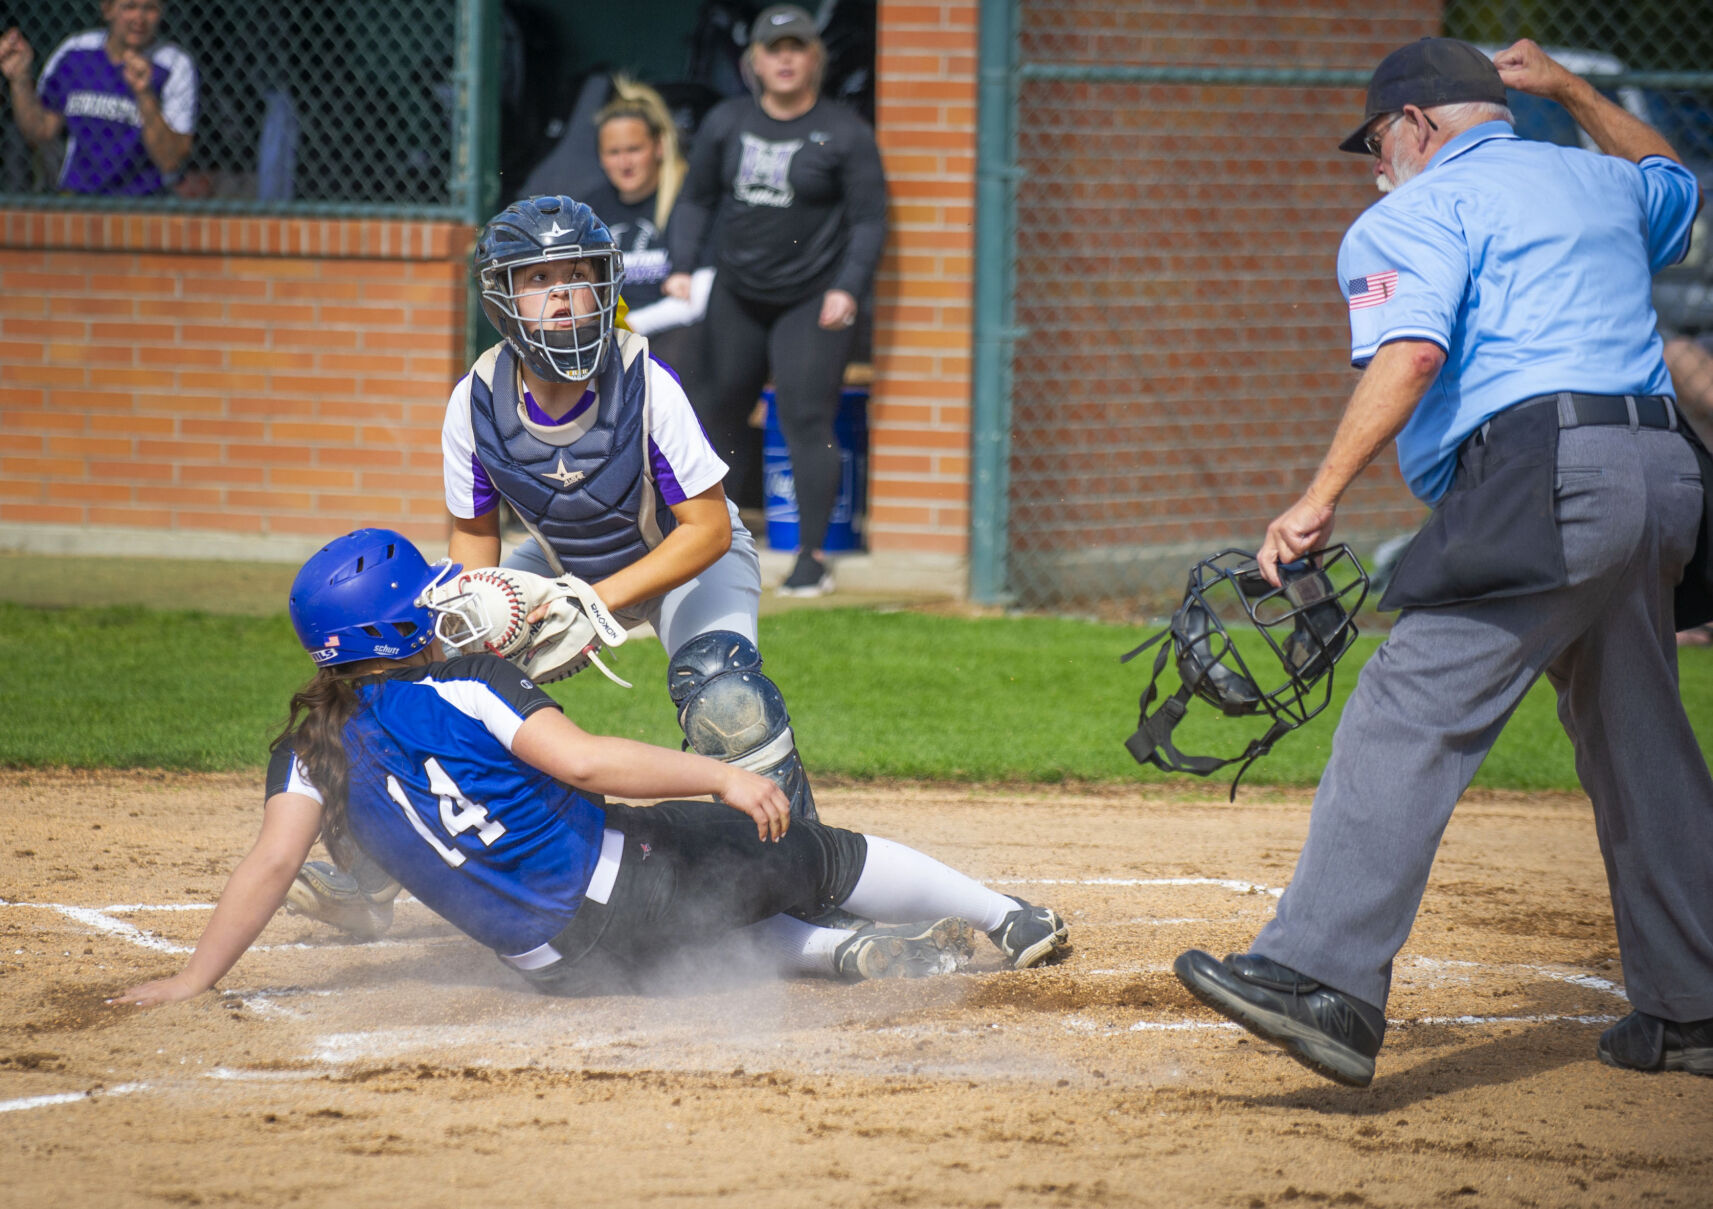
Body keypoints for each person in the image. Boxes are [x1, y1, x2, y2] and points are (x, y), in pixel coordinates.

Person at [1173, 38, 1713, 1086]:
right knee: (1640, 735)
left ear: (1417, 123)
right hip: (1669, 474)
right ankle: (1694, 1008)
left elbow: (1412, 353)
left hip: (1548, 474)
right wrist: (1570, 90)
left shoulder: (1412, 212)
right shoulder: (1597, 177)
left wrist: (1319, 495)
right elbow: (1673, 183)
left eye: (1378, 140)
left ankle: (1319, 977)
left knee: (1408, 707)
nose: (1377, 165)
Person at [110, 529, 1070, 1007]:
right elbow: (586, 759)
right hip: (629, 893)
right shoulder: (469, 680)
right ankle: (1008, 916)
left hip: (560, 971)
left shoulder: (303, 750)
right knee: (818, 854)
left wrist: (198, 976)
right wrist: (721, 778)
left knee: (690, 929)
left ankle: (832, 953)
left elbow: (271, 866)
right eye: (428, 601)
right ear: (398, 626)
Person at [284, 194, 831, 939]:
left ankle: (812, 879)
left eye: (580, 274)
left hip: (679, 557)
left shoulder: (645, 380)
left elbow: (704, 529)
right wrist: (474, 619)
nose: (567, 296)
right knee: (419, 684)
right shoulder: (475, 399)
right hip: (561, 557)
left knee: (725, 697)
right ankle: (368, 879)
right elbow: (473, 537)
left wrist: (592, 603)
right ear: (504, 299)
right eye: (541, 279)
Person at [664, 3, 887, 597]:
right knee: (717, 412)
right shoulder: (727, 123)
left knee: (806, 416)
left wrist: (848, 287)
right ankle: (713, 546)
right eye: (774, 48)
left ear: (816, 59)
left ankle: (811, 558)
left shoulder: (845, 131)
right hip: (738, 291)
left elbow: (869, 220)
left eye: (797, 48)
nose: (785, 59)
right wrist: (682, 266)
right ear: (753, 62)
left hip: (812, 300)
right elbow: (695, 198)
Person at [583, 76, 711, 395]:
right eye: (613, 152)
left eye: (634, 149)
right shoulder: (589, 210)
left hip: (674, 339)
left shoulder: (689, 201)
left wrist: (629, 328)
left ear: (658, 146)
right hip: (607, 338)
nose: (624, 162)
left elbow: (696, 300)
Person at [0, 0, 196, 196]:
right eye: (130, 7)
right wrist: (20, 79)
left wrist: (144, 93)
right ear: (108, 10)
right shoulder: (75, 51)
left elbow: (170, 160)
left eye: (150, 9)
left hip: (145, 200)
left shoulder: (174, 63)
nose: (139, 18)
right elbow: (40, 130)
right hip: (78, 196)